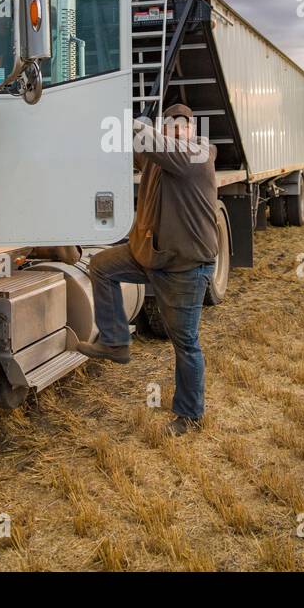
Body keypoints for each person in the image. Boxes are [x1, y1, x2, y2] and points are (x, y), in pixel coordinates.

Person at [71, 103, 218, 436]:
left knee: (185, 343)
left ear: (192, 132)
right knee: (102, 266)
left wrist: (120, 110)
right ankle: (116, 342)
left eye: (183, 126)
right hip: (150, 255)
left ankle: (190, 415)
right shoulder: (157, 158)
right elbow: (132, 149)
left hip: (184, 266)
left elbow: (144, 137)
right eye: (170, 126)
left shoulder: (197, 156)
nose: (177, 131)